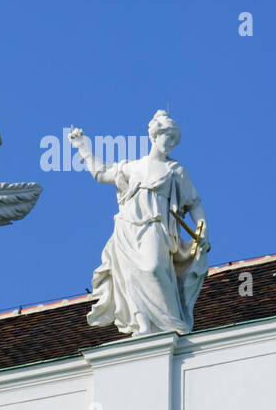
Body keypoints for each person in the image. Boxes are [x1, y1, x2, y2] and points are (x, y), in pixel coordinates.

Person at [70, 110, 208, 336]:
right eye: (169, 137)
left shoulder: (176, 171)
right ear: (155, 135)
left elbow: (194, 205)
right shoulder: (132, 167)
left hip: (155, 228)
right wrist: (82, 147)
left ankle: (173, 324)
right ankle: (142, 324)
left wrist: (203, 229)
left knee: (154, 268)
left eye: (175, 140)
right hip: (127, 228)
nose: (172, 143)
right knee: (131, 276)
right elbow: (101, 173)